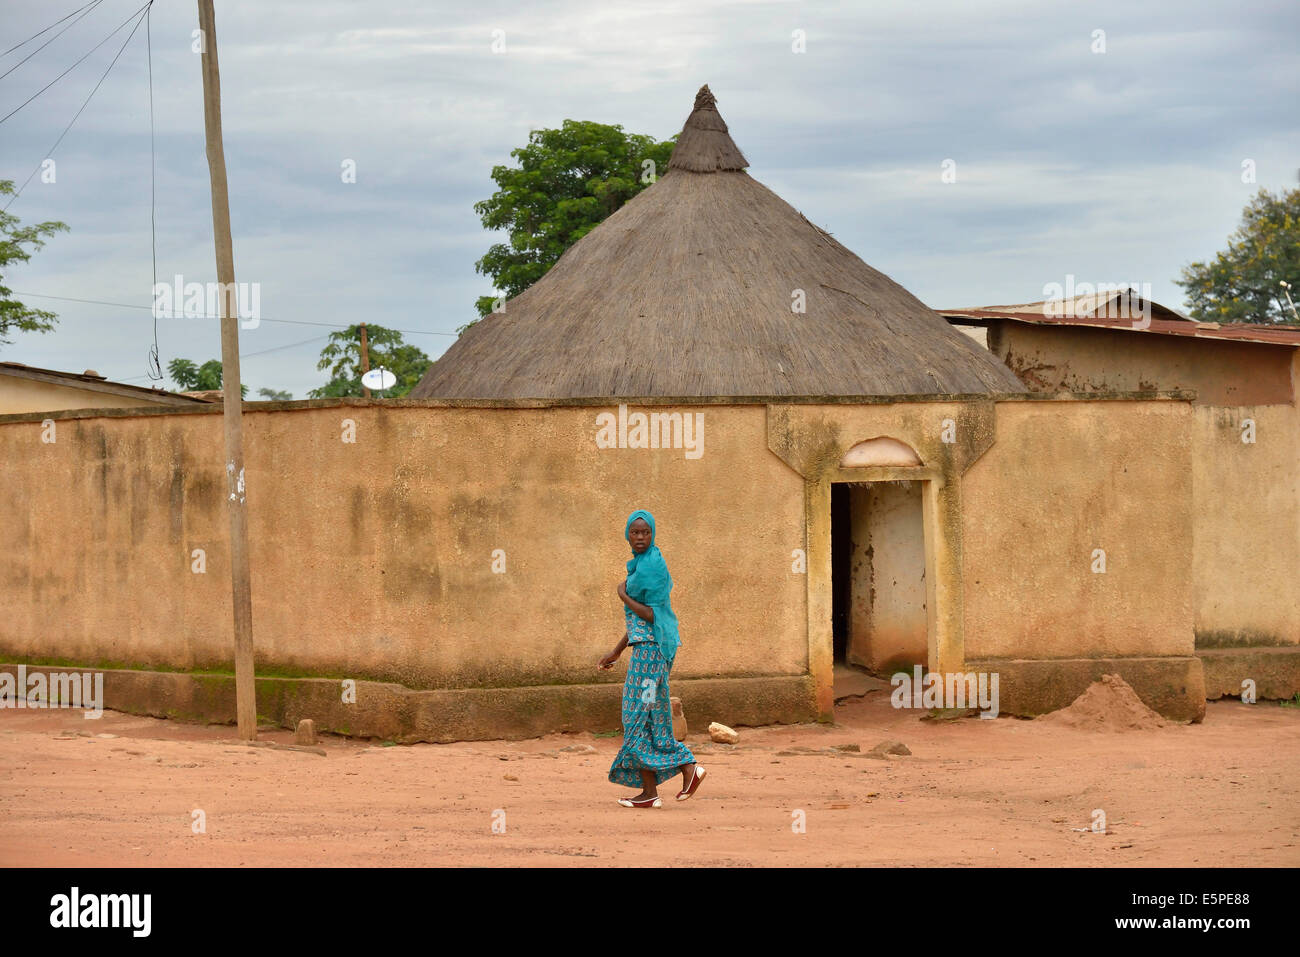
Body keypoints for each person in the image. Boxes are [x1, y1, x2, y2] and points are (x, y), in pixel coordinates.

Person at [598, 509, 706, 808]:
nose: (641, 537)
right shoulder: (641, 565)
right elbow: (639, 621)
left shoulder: (651, 567)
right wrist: (617, 651)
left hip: (651, 654)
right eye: (636, 532)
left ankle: (687, 766)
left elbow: (652, 615)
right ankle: (650, 793)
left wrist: (623, 595)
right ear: (628, 535)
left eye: (646, 532)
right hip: (648, 649)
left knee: (634, 716)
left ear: (653, 533)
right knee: (647, 721)